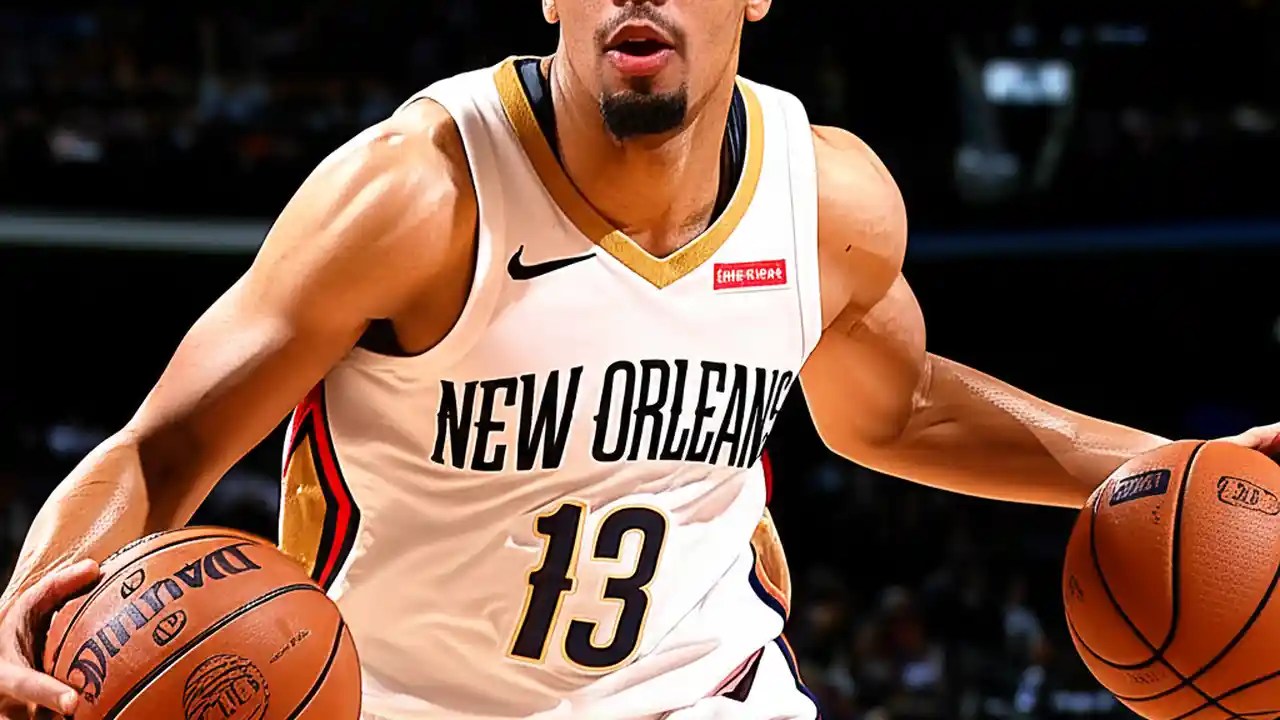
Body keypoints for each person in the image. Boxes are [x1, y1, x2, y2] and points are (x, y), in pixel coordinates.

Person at [1, 2, 1276, 718]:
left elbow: (899, 412)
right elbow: (164, 447)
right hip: (397, 701)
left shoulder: (825, 200)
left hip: (700, 688)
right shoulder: (415, 196)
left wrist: (1180, 469)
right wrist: (33, 601)